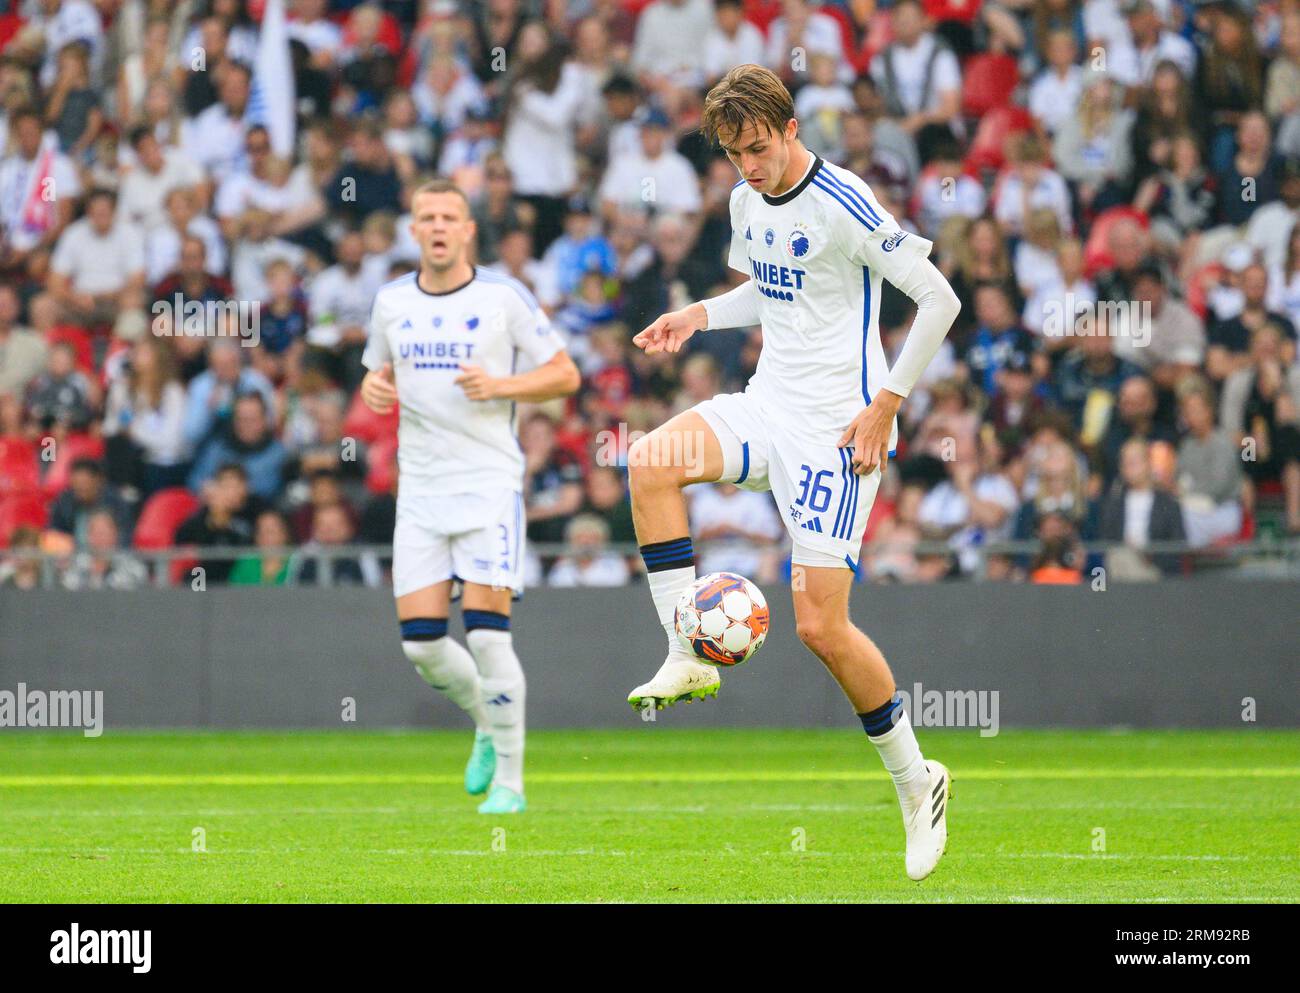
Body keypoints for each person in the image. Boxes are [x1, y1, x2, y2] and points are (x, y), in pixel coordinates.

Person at [624, 65, 960, 880]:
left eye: (758, 147)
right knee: (648, 461)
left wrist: (887, 403)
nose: (749, 165)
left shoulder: (844, 201)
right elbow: (771, 296)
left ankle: (918, 782)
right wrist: (699, 313)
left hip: (838, 435)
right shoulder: (746, 202)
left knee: (819, 627)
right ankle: (688, 651)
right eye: (735, 153)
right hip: (768, 404)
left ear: (788, 125)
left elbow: (940, 298)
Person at [358, 179, 580, 815]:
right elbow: (380, 371)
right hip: (421, 492)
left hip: (488, 486)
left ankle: (511, 781)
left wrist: (503, 384)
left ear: (466, 231)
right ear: (413, 231)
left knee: (487, 637)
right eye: (426, 217)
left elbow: (565, 374)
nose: (437, 227)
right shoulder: (391, 302)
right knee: (422, 645)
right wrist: (376, 387)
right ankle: (487, 719)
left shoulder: (501, 297)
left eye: (448, 217)